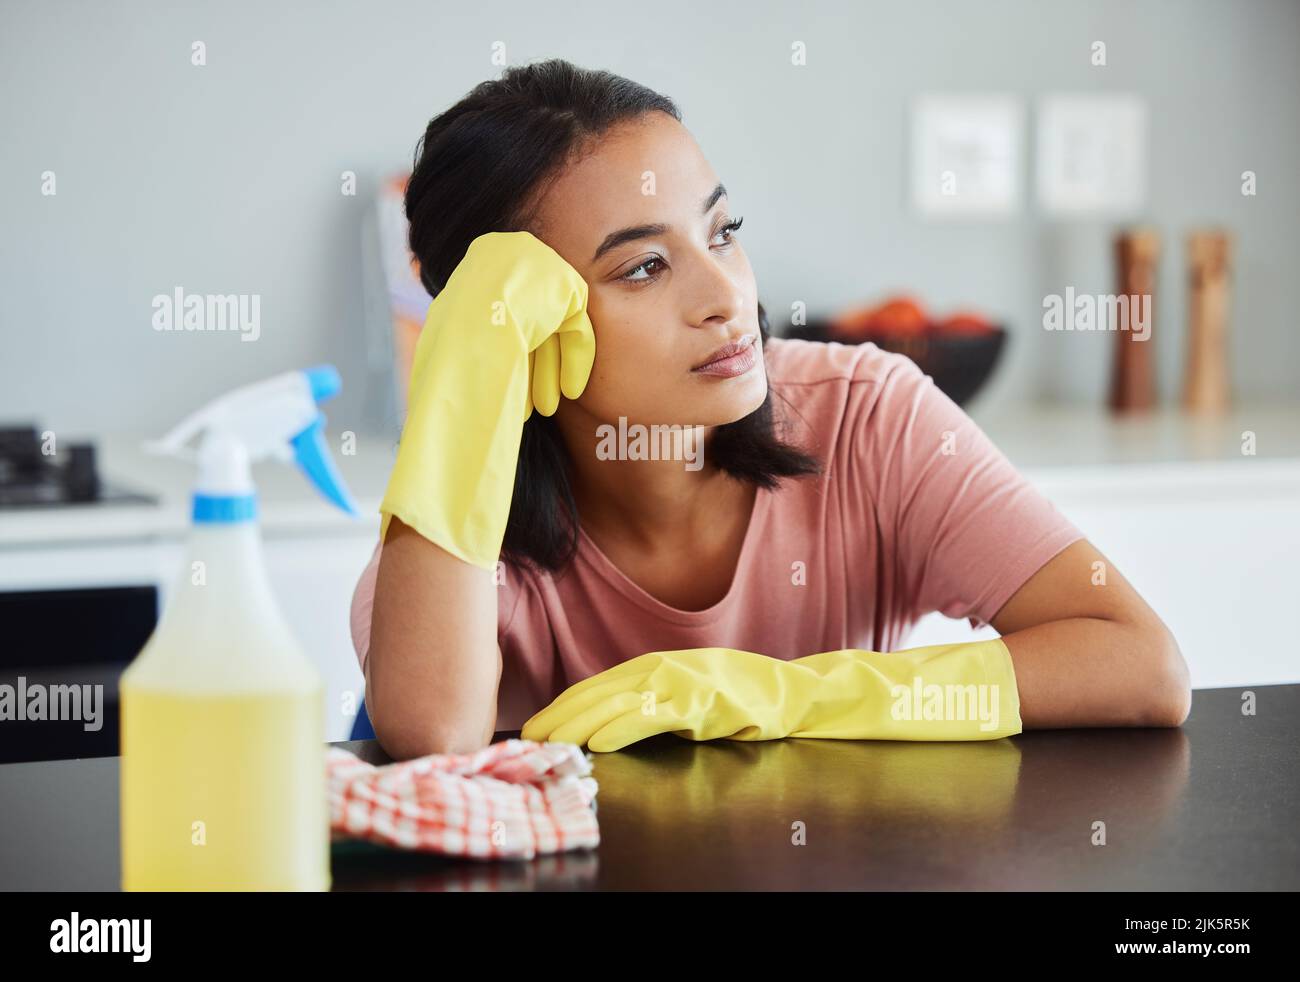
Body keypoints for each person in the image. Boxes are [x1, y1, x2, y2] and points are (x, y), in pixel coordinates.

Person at [351, 59, 1190, 759]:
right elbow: (434, 736)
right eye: (643, 266)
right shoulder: (460, 518)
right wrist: (466, 366)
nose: (727, 298)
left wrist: (789, 692)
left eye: (722, 232)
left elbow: (1140, 664)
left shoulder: (868, 416)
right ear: (532, 328)